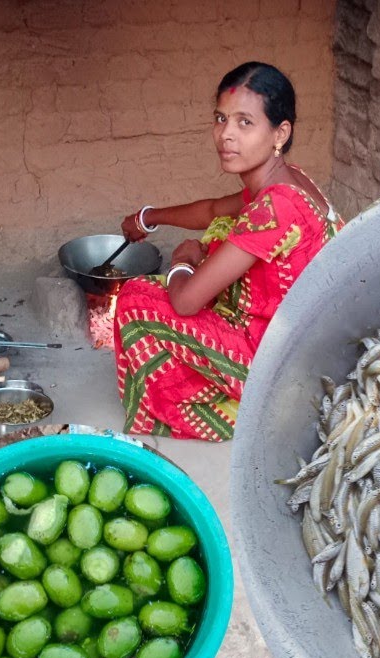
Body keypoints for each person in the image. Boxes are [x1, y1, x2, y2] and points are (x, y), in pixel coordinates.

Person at [113, 61, 343, 441]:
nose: (226, 135)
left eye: (244, 123)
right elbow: (213, 210)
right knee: (217, 231)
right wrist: (148, 217)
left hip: (281, 366)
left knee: (136, 300)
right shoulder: (288, 179)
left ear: (280, 133)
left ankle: (215, 410)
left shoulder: (275, 207)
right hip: (307, 346)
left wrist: (183, 261)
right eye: (221, 119)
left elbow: (185, 301)